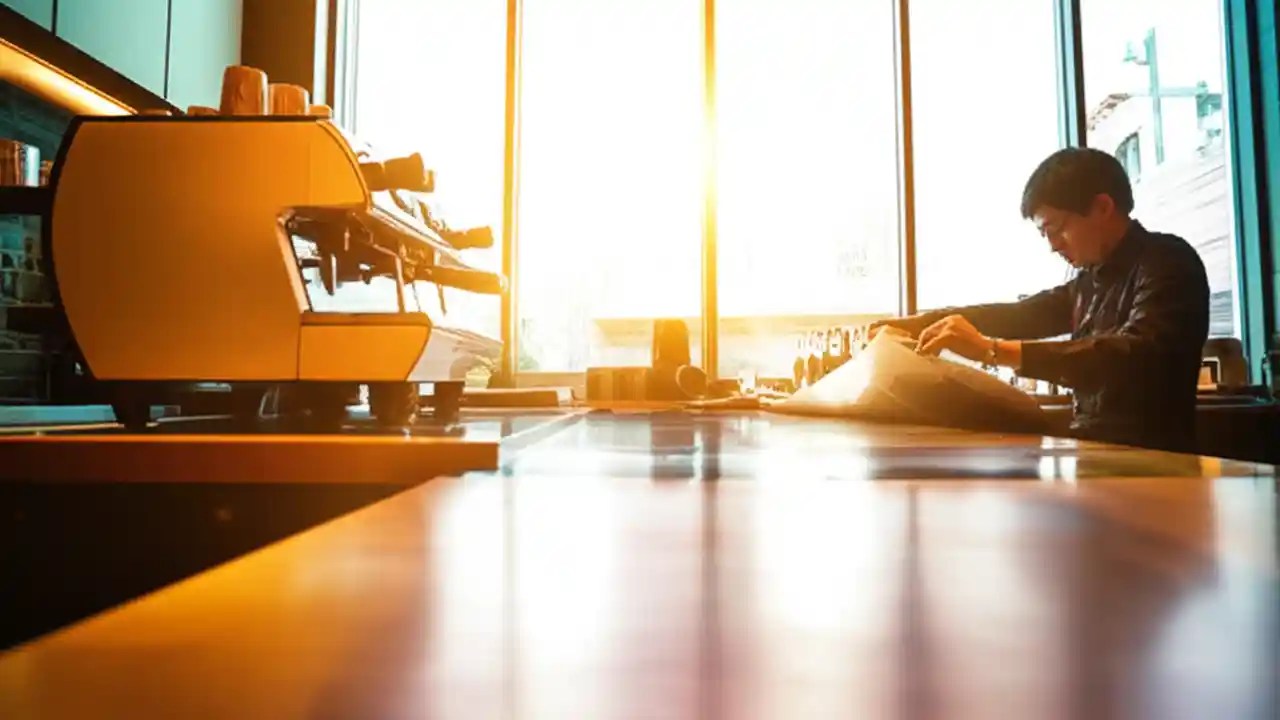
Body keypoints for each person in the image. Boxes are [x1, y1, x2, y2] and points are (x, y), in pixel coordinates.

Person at [871, 147, 1209, 452]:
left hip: (1158, 463)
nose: (1053, 245)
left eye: (1056, 228)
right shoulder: (1090, 282)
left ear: (1102, 207)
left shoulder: (1168, 260)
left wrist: (992, 350)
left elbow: (1134, 354)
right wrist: (919, 324)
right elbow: (1020, 315)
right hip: (1102, 458)